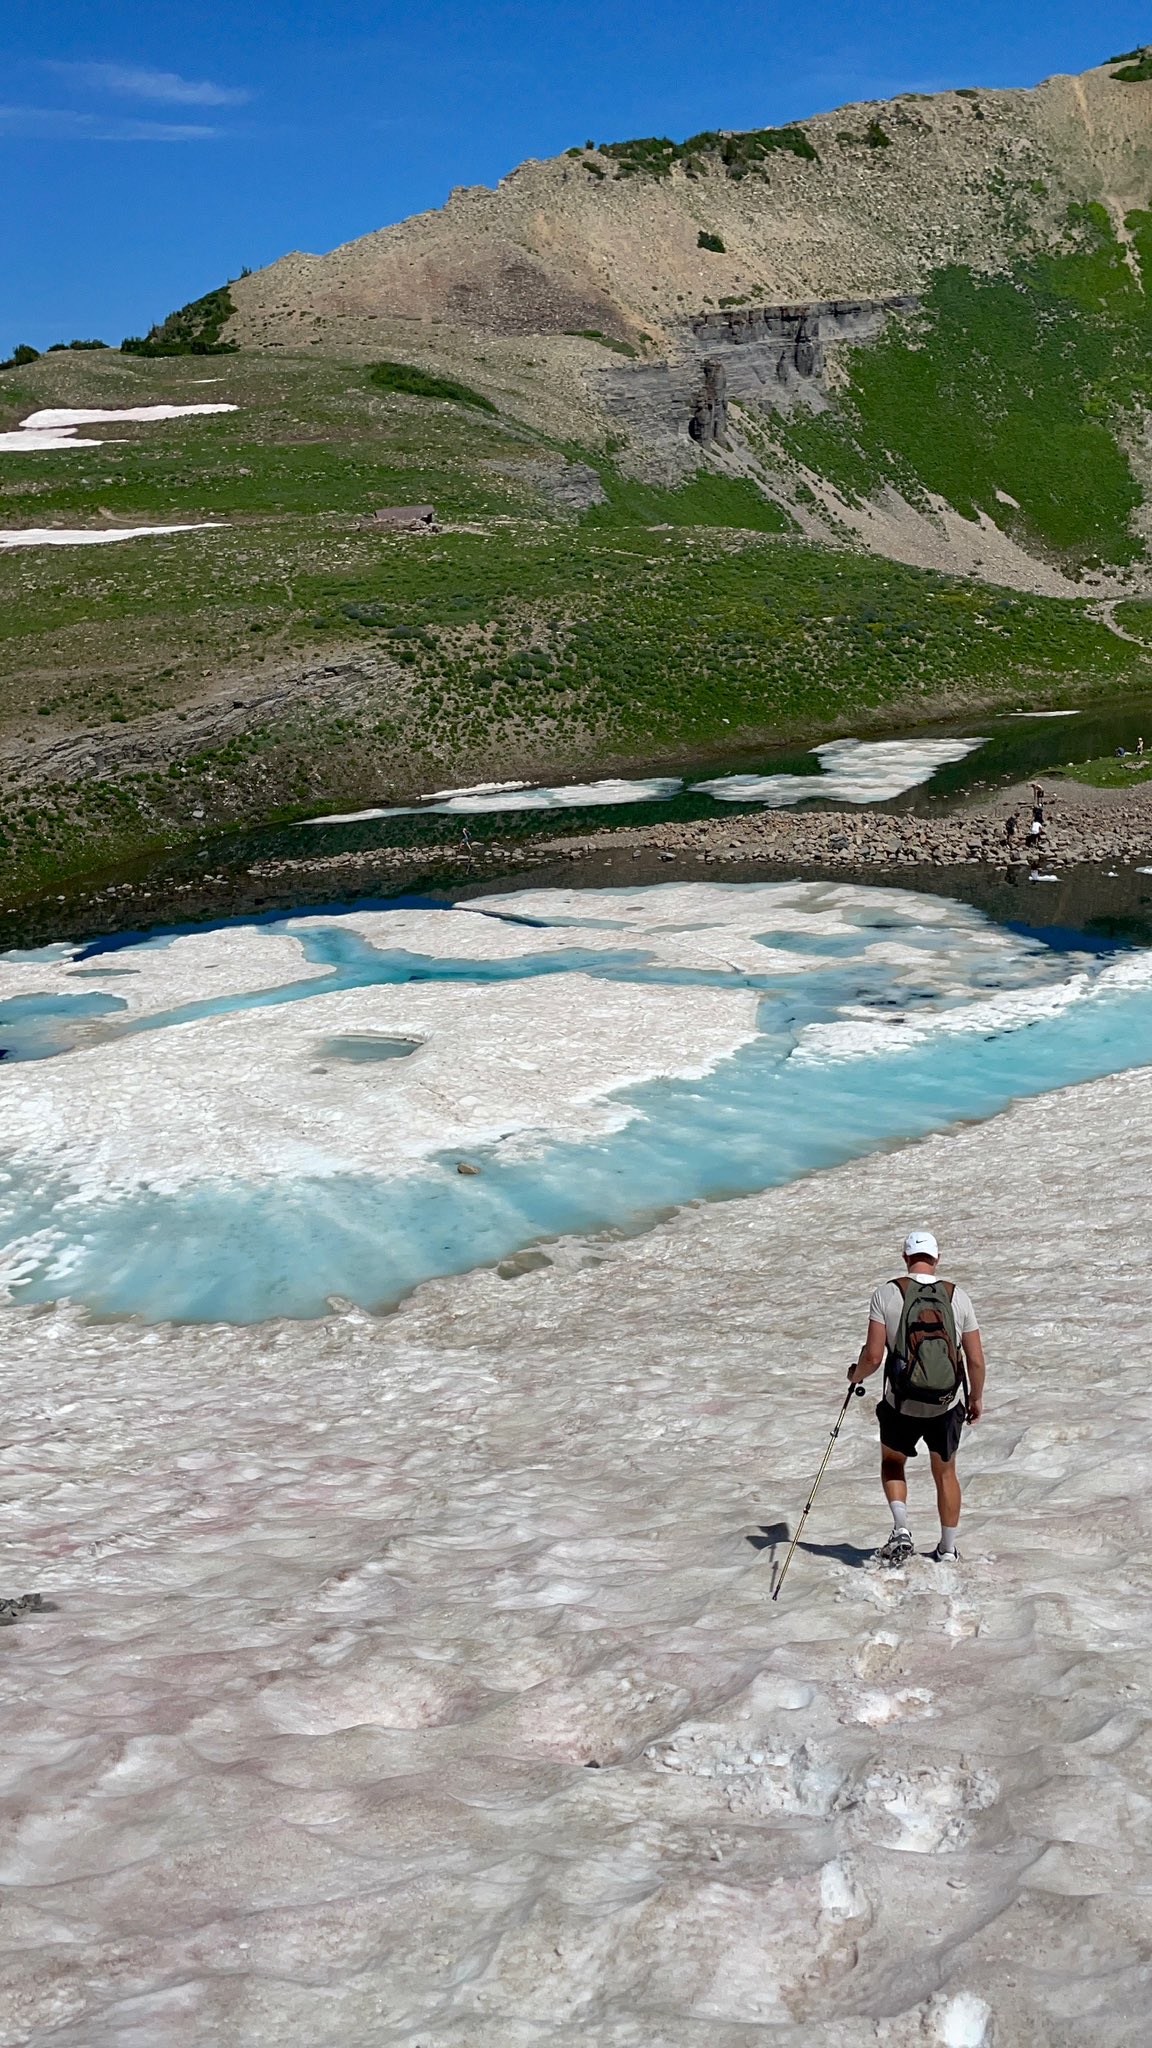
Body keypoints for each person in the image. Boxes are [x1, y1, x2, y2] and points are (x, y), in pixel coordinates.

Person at [849, 1231, 986, 1565]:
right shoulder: (958, 1296)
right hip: (946, 1403)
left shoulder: (887, 1294)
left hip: (901, 1403)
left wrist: (855, 1376)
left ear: (905, 1257)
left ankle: (901, 1528)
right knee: (945, 1473)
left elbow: (873, 1356)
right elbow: (976, 1360)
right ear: (937, 1258)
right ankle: (948, 1549)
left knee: (893, 1462)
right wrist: (976, 1398)